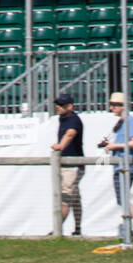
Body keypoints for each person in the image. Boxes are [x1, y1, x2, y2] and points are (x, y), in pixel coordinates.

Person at [102, 91, 133, 237]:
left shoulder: (130, 121)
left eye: (113, 105)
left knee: (123, 199)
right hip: (120, 165)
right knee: (123, 199)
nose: (111, 108)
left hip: (125, 166)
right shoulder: (122, 123)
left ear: (121, 106)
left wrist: (114, 146)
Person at [51, 92, 85, 236]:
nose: (58, 107)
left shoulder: (73, 120)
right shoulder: (62, 118)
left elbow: (70, 134)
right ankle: (77, 230)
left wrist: (61, 146)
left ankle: (56, 232)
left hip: (72, 165)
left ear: (70, 107)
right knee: (74, 198)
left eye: (61, 105)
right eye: (57, 104)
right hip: (65, 165)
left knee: (65, 197)